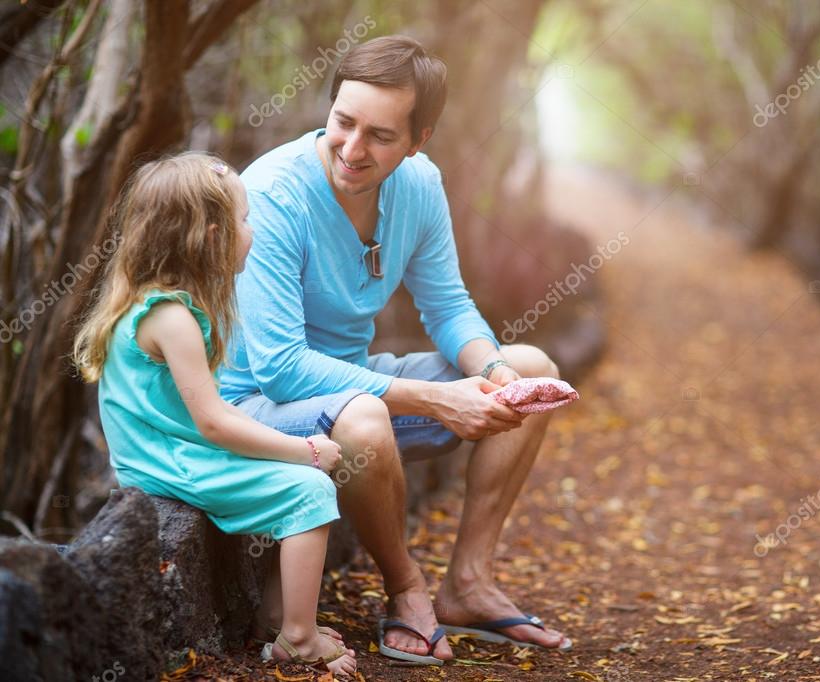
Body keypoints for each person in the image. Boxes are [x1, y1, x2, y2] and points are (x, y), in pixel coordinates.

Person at [221, 35, 571, 664]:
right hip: (255, 407)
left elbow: (447, 306)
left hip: (354, 390)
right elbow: (277, 368)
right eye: (342, 123)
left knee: (528, 368)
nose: (352, 150)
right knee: (365, 413)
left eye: (380, 136)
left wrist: (490, 375)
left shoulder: (420, 186)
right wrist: (436, 399)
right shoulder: (272, 194)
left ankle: (468, 584)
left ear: (419, 139)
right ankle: (405, 588)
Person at [73, 152, 358, 678]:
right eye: (244, 221)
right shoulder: (172, 317)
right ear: (209, 236)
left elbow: (207, 413)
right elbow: (212, 423)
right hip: (171, 464)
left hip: (165, 455)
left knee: (296, 478)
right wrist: (305, 449)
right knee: (310, 487)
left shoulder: (157, 305)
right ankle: (297, 638)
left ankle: (273, 617)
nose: (252, 230)